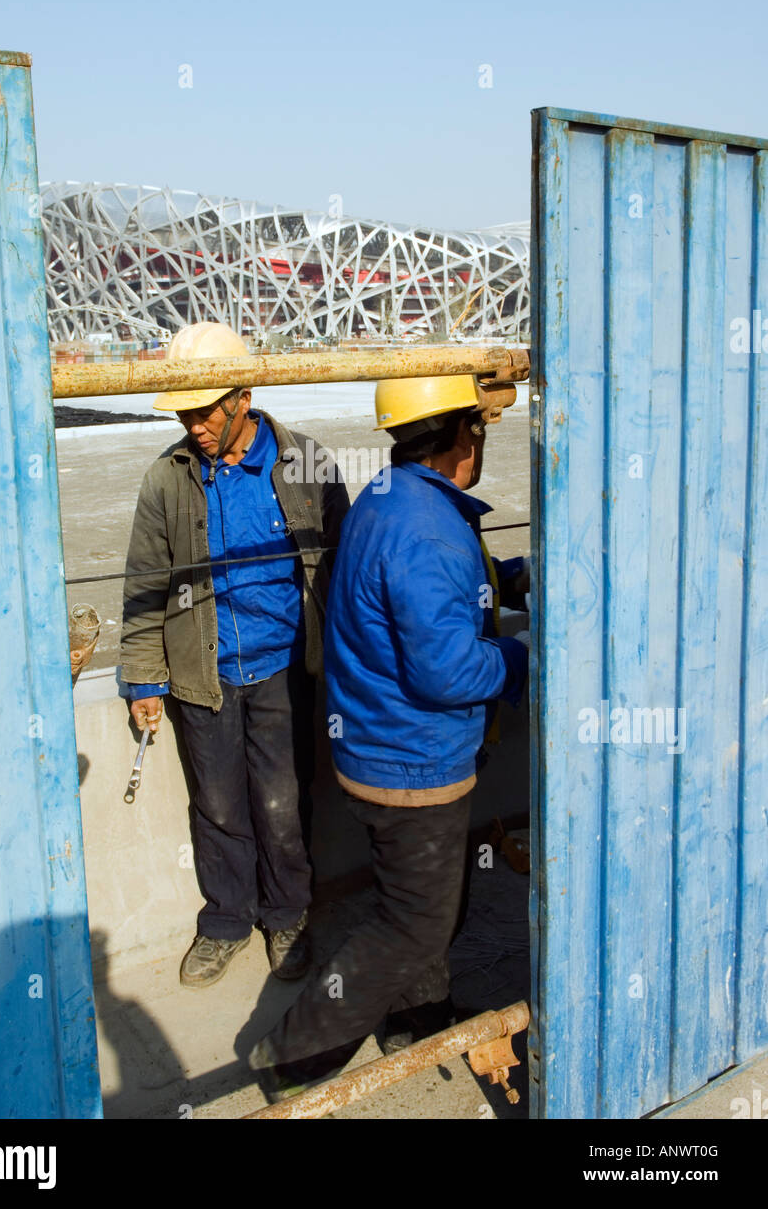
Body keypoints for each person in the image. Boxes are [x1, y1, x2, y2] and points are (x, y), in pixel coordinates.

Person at [249, 371, 529, 1098]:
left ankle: (420, 1018)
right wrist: (527, 656)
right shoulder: (427, 529)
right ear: (465, 433)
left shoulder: (393, 495)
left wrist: (511, 577)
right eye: (480, 426)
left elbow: (429, 588)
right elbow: (448, 672)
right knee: (411, 924)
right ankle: (292, 1055)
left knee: (422, 903)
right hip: (411, 764)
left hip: (374, 745)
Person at [120, 322, 349, 988]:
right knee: (217, 806)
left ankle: (287, 917)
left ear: (242, 398)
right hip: (203, 673)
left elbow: (342, 570)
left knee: (282, 803)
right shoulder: (166, 481)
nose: (193, 425)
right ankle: (224, 921)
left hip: (284, 670)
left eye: (204, 411)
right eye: (184, 413)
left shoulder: (304, 462)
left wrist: (351, 663)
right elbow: (143, 586)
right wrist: (142, 679)